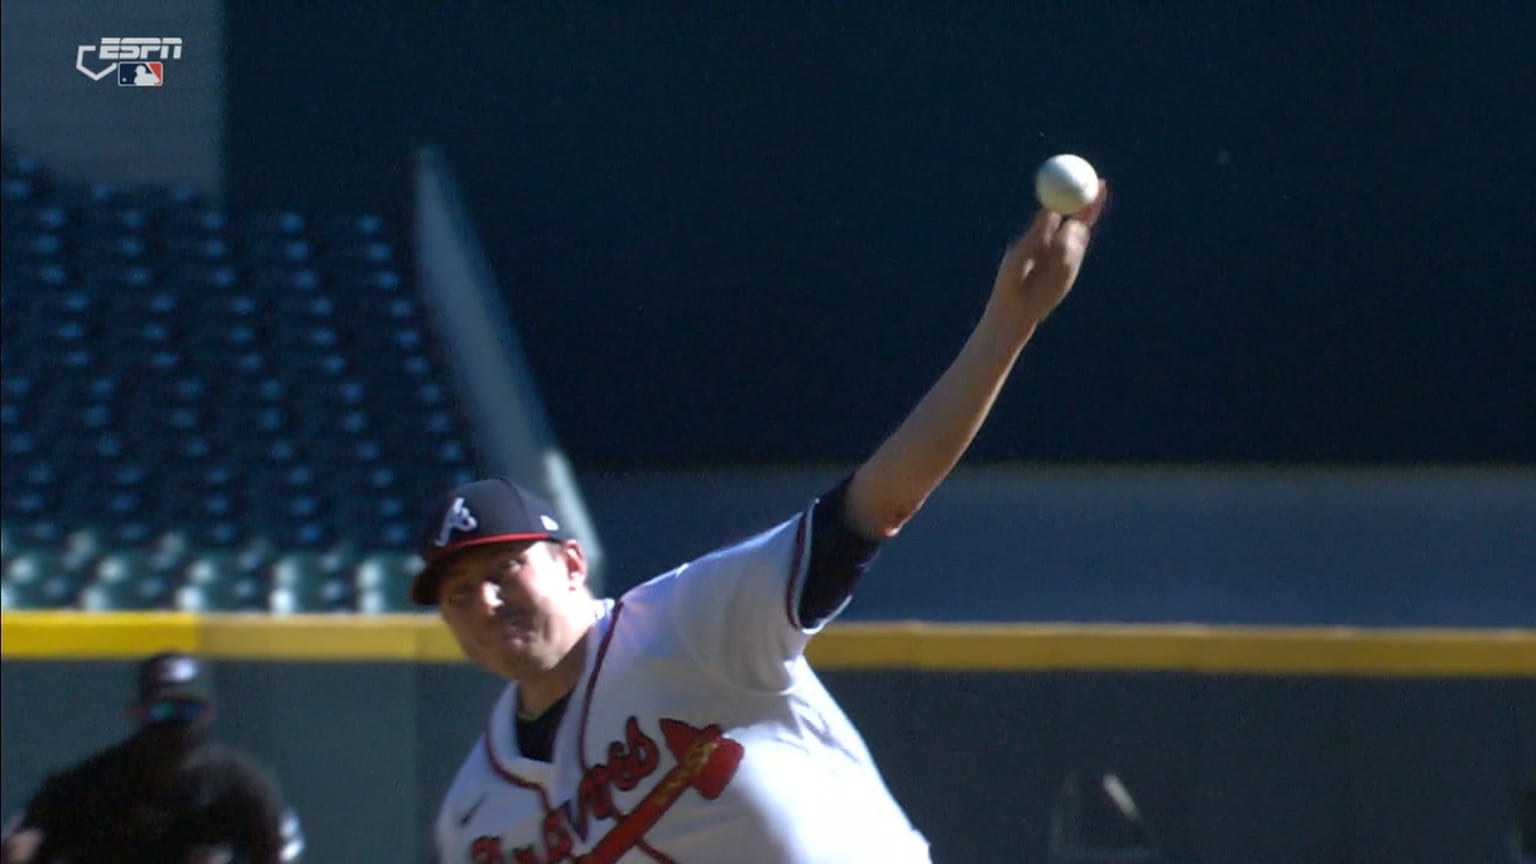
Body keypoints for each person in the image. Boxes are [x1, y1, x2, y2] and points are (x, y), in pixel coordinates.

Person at [414, 194, 1106, 863]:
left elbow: (880, 502)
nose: (485, 602)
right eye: (458, 593)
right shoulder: (478, 813)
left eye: (504, 571)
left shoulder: (690, 622)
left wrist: (1007, 325)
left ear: (570, 563)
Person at [1, 651, 305, 864]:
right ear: (137, 714)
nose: (174, 727)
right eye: (161, 712)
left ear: (208, 715)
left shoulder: (241, 786)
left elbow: (282, 851)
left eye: (187, 712)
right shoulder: (90, 787)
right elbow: (24, 840)